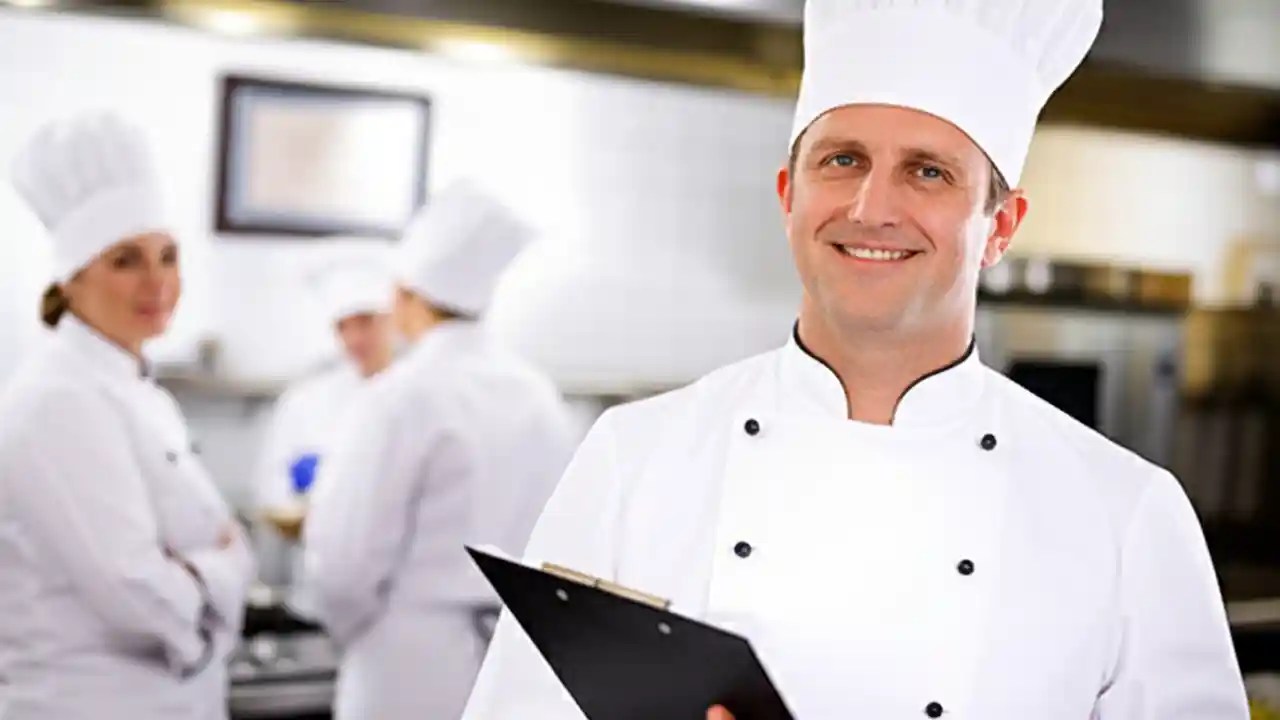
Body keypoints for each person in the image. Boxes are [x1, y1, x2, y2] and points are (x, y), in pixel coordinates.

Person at [462, 1, 1249, 718]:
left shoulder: (1126, 516)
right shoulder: (632, 460)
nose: (872, 208)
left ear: (1001, 226)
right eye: (842, 160)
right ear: (787, 195)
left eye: (928, 171)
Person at [0, 112, 255, 719]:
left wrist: (194, 574)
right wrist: (224, 571)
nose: (158, 282)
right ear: (72, 278)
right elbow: (134, 590)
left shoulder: (138, 391)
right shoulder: (58, 399)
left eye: (168, 256)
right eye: (126, 260)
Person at [304, 181, 579, 720]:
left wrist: (352, 631)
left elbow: (343, 565)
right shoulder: (537, 394)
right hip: (511, 660)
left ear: (405, 297)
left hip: (407, 667)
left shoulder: (398, 397)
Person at [253, 241, 396, 617]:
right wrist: (306, 497)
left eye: (365, 322)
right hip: (315, 596)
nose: (354, 339)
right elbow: (271, 493)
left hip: (396, 600)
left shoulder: (419, 395)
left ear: (392, 320)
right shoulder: (305, 401)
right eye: (342, 327)